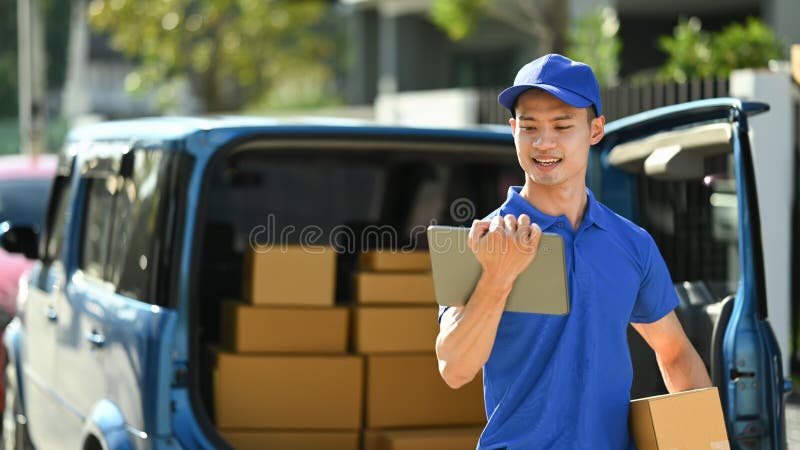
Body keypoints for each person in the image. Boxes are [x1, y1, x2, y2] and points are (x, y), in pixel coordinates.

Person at [435, 54, 712, 450]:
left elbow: (675, 354)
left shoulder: (631, 244)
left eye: (562, 126)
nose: (543, 142)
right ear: (513, 130)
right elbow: (454, 368)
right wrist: (497, 277)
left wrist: (706, 442)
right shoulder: (482, 240)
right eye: (529, 127)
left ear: (595, 130)